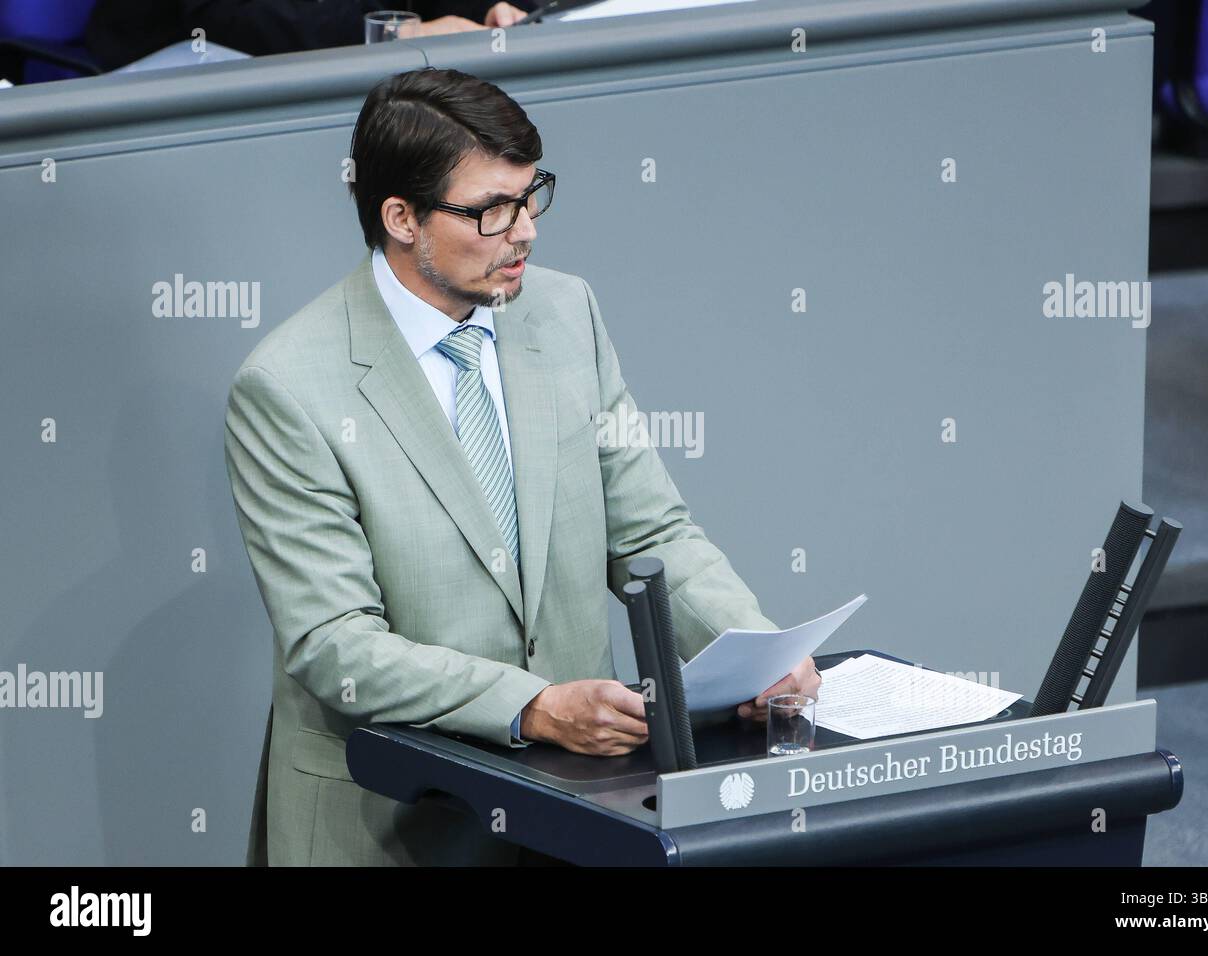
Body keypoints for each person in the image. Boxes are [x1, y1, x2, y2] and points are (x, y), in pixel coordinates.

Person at [223, 66, 821, 866]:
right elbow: (336, 643)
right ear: (401, 218)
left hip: (579, 810)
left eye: (530, 194)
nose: (526, 230)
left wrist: (755, 653)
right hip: (391, 826)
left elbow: (649, 528)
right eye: (491, 210)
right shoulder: (290, 386)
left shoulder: (565, 311)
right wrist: (532, 706)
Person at [86, 0, 530, 71]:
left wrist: (485, 10)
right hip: (178, 76)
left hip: (338, 69)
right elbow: (226, 19)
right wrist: (397, 32)